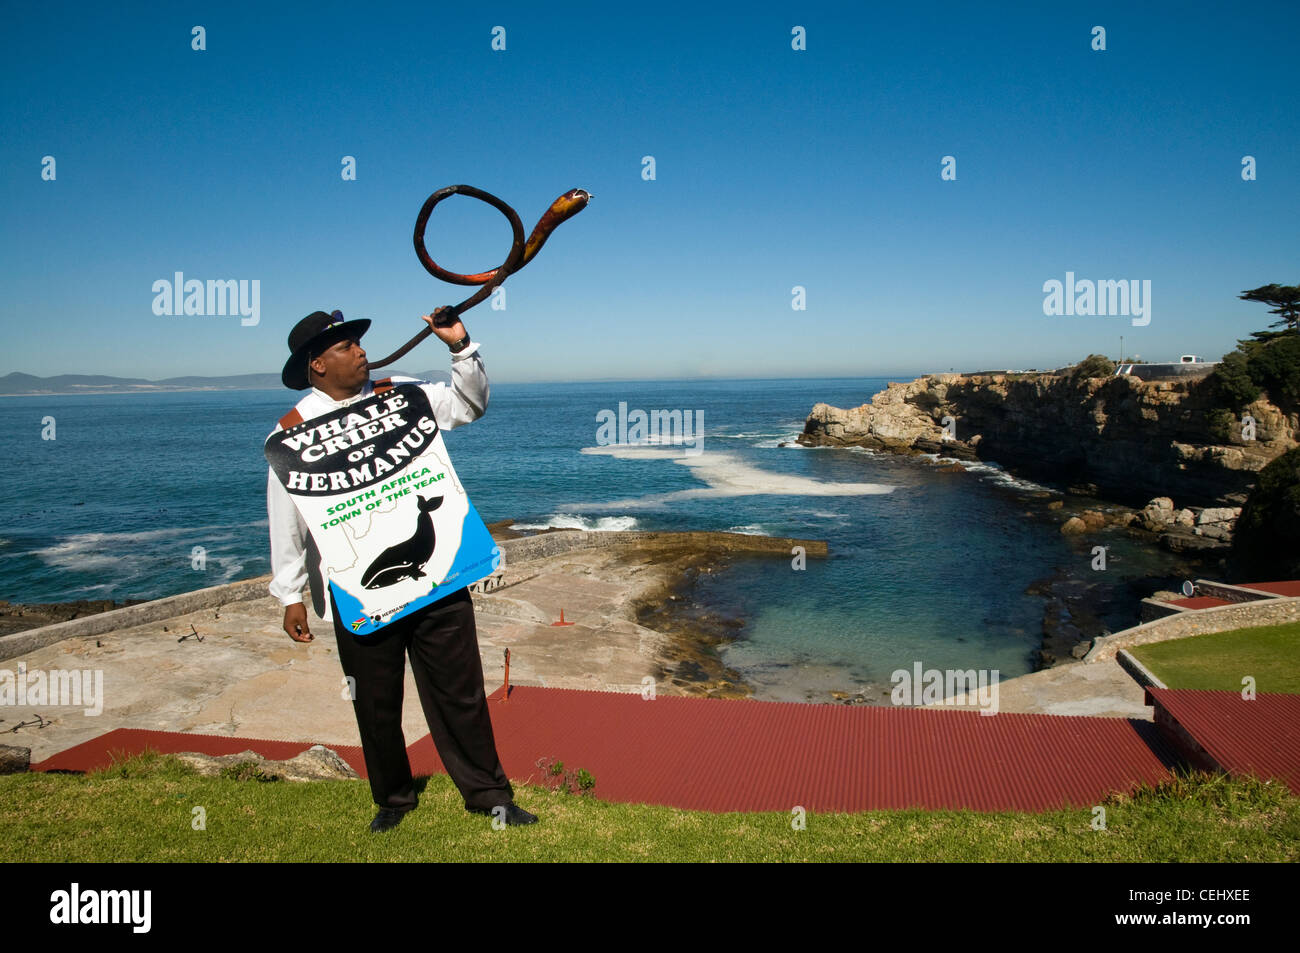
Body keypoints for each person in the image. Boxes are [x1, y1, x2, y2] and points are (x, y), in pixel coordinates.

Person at [265, 307, 537, 833]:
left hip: (439, 576)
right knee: (376, 702)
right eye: (345, 347)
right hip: (358, 593)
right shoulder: (292, 431)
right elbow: (287, 522)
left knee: (461, 692)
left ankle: (489, 796)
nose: (361, 350)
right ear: (316, 365)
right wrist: (290, 594)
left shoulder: (402, 393)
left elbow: (468, 405)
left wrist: (460, 347)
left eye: (358, 343)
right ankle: (393, 800)